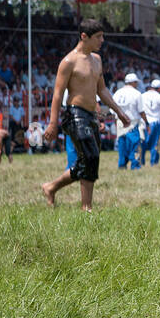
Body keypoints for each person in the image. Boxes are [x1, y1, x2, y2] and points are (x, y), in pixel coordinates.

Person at [41, 19, 131, 212]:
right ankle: (86, 207)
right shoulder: (68, 62)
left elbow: (102, 90)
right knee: (90, 157)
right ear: (84, 36)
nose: (102, 40)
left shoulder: (97, 60)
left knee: (87, 160)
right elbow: (57, 94)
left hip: (91, 114)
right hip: (75, 114)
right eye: (98, 37)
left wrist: (119, 112)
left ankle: (51, 187)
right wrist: (52, 123)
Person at [113, 73, 144, 170]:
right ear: (133, 82)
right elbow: (141, 110)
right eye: (136, 82)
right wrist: (146, 122)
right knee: (134, 145)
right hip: (132, 123)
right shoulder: (137, 93)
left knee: (122, 145)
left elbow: (112, 110)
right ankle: (135, 165)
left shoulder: (117, 93)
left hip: (119, 122)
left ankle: (122, 165)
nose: (137, 84)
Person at [140, 79, 160, 166]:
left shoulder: (143, 95)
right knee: (155, 143)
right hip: (155, 122)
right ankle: (153, 163)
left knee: (143, 142)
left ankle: (141, 161)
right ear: (158, 89)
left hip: (144, 122)